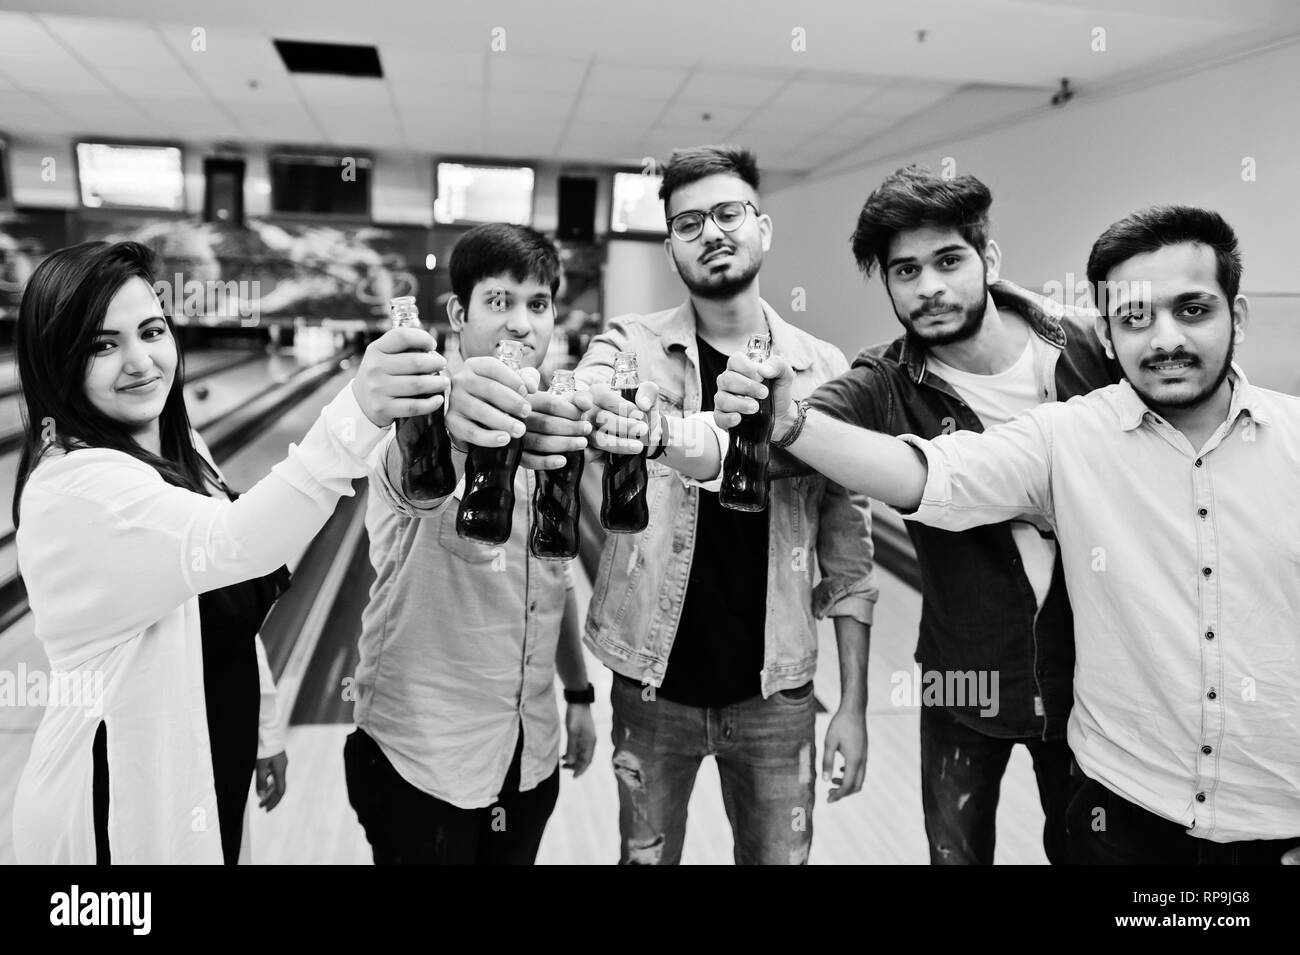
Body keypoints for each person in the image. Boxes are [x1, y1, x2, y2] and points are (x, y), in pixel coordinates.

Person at [716, 205, 1300, 864]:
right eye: (1135, 316)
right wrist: (779, 422)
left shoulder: (1085, 357)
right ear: (1111, 334)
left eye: (1192, 309)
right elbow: (931, 473)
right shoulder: (1064, 432)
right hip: (993, 698)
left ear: (1237, 316)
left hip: (1236, 791)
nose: (1164, 338)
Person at [12, 239, 441, 864]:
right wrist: (355, 412)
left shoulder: (178, 449)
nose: (140, 362)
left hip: (213, 740)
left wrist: (263, 725)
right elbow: (240, 543)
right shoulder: (76, 489)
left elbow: (223, 602)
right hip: (114, 798)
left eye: (151, 331)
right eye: (102, 345)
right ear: (57, 360)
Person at [772, 165, 1118, 864]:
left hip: (1096, 678)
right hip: (962, 674)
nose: (928, 286)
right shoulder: (882, 382)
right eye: (905, 271)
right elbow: (784, 444)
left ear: (988, 259)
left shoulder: (1090, 346)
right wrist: (726, 419)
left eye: (949, 260)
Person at [570, 145, 877, 865]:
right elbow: (591, 393)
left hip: (777, 693)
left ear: (762, 228)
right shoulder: (631, 346)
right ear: (671, 246)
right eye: (688, 222)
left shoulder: (824, 370)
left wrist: (856, 706)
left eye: (728, 213)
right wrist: (595, 405)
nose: (711, 232)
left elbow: (849, 552)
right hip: (652, 686)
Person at [344, 223, 597, 865]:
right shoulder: (415, 416)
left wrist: (578, 694)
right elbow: (411, 488)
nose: (520, 324)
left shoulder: (552, 432)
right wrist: (452, 435)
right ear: (459, 313)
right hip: (423, 760)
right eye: (499, 301)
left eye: (537, 304)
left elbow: (552, 581)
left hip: (527, 754)